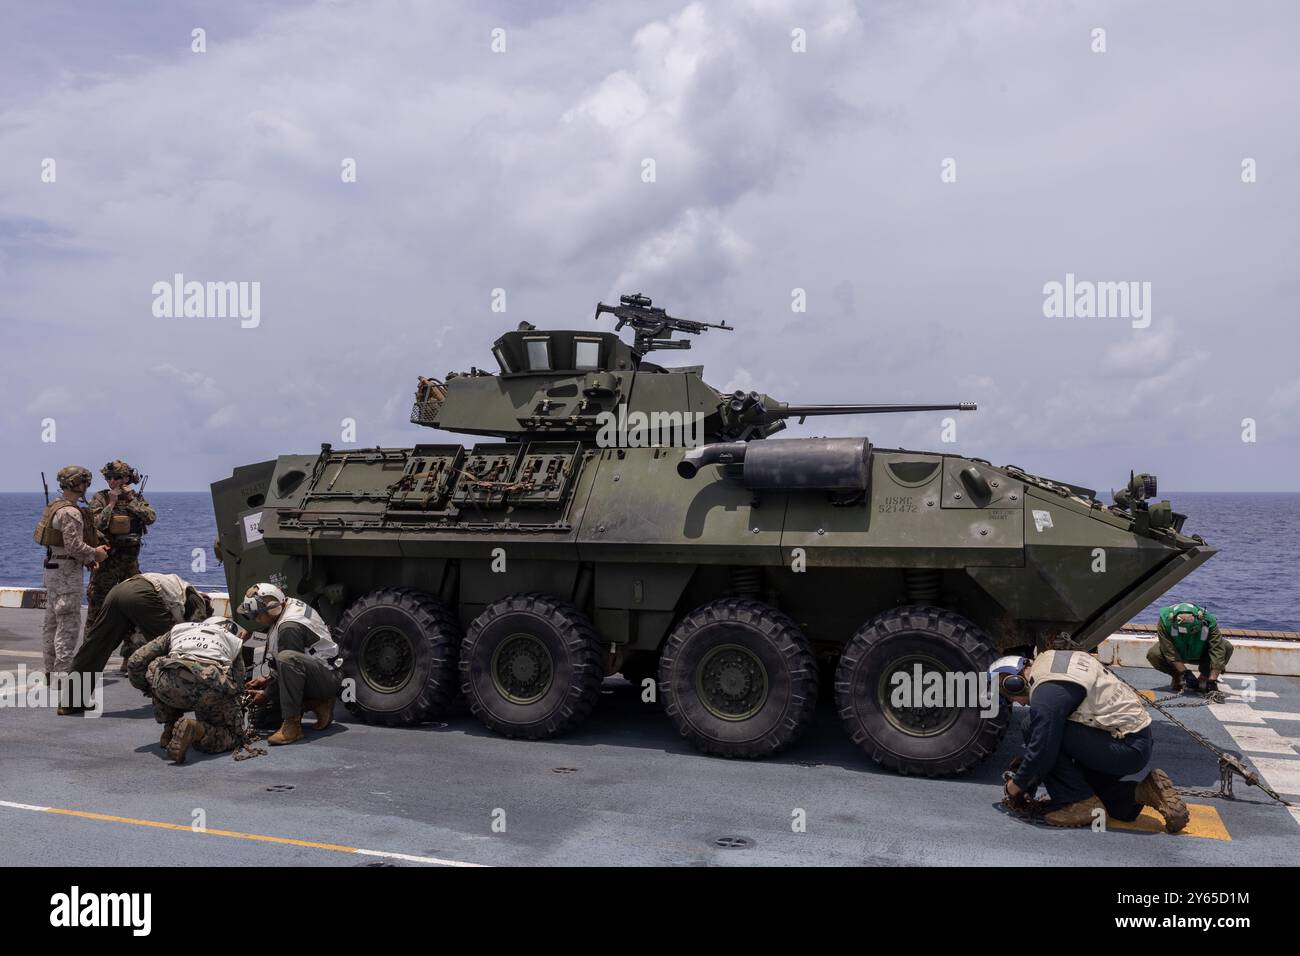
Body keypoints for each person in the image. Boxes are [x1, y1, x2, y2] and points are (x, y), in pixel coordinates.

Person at [990, 651, 1189, 832]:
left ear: (1013, 682)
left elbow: (1042, 749)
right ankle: (1144, 791)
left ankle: (1079, 803)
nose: (1018, 703)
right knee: (1089, 791)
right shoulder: (1050, 660)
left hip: (1123, 746)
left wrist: (1015, 786)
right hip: (1133, 741)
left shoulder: (1047, 692)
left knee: (1032, 726)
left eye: (1010, 697)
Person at [59, 572, 210, 713]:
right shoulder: (198, 601)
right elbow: (194, 638)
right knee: (171, 650)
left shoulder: (180, 590)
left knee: (96, 646)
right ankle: (180, 698)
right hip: (142, 595)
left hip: (119, 591)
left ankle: (72, 701)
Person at [128, 615, 255, 763]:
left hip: (168, 686)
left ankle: (169, 728)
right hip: (208, 690)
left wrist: (151, 690)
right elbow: (238, 684)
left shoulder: (179, 630)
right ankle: (197, 730)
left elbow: (135, 661)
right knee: (233, 736)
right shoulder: (233, 641)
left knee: (159, 668)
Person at [237, 584, 342, 745]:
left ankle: (292, 726)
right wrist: (266, 679)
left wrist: (266, 694)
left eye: (257, 615)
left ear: (271, 609)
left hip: (326, 679)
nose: (256, 620)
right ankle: (317, 704)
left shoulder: (289, 627)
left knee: (286, 658)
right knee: (263, 718)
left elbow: (288, 663)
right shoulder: (286, 604)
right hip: (316, 672)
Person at [33, 466, 110, 675]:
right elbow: (74, 546)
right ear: (76, 484)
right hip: (67, 573)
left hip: (53, 570)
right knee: (68, 625)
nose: (86, 486)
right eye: (84, 482)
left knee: (51, 622)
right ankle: (62, 675)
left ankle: (50, 670)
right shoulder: (71, 512)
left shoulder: (55, 507)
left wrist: (87, 558)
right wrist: (96, 553)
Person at [85, 460, 156, 667]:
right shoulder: (100, 498)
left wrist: (131, 499)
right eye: (109, 478)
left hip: (129, 562)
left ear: (126, 479)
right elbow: (96, 523)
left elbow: (151, 517)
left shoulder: (136, 498)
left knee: (133, 607)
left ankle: (130, 657)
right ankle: (88, 658)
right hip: (107, 562)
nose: (112, 481)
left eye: (117, 477)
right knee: (96, 607)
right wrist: (112, 504)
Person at [1147, 603, 1233, 694]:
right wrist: (1185, 673)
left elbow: (1217, 649)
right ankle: (1178, 676)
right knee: (1154, 654)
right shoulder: (1165, 620)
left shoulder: (1209, 621)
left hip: (1200, 652)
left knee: (1226, 647)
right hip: (1178, 651)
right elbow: (1168, 650)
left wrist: (1212, 680)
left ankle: (1205, 677)